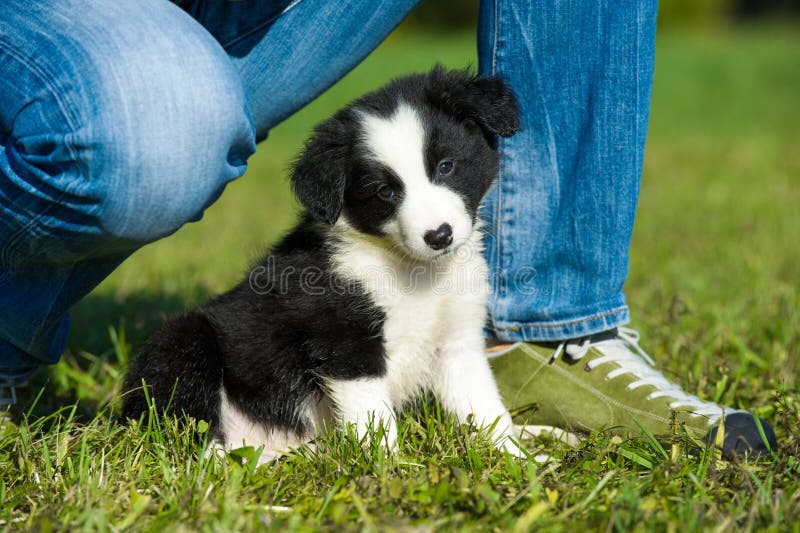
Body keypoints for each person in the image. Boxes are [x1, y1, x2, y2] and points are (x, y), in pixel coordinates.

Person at [0, 0, 776, 457]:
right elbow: (348, 351)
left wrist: (498, 445)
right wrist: (379, 457)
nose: (431, 218)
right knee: (185, 348)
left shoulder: (449, 234)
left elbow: (451, 353)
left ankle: (553, 329)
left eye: (443, 173)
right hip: (248, 397)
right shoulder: (343, 261)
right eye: (390, 190)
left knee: (462, 340)